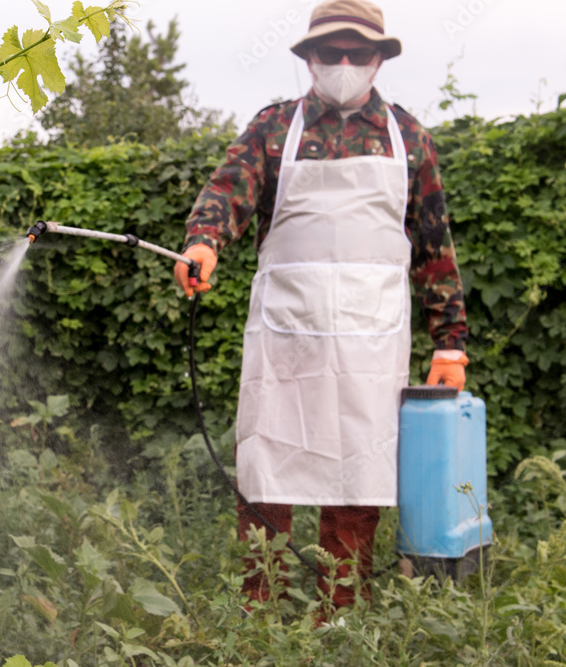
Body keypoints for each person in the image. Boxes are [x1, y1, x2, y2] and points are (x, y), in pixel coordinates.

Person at [173, 0, 469, 612]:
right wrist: (203, 240)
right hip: (287, 338)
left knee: (358, 474)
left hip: (371, 341)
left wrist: (450, 341)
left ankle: (341, 610)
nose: (342, 63)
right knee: (264, 470)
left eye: (357, 52)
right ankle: (261, 608)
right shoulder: (275, 127)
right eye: (328, 51)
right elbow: (228, 190)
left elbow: (435, 247)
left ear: (378, 60)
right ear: (307, 56)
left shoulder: (409, 138)